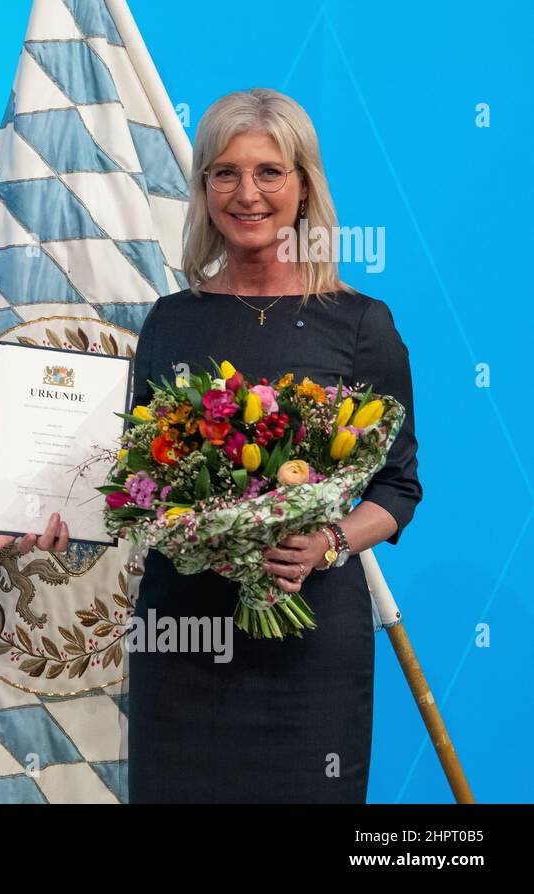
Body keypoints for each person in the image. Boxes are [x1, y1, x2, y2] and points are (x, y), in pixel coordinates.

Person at [123, 88, 422, 802]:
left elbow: (397, 488)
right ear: (202, 189)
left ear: (304, 186)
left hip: (310, 644)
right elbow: (138, 481)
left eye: (268, 172)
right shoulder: (169, 321)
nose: (246, 193)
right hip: (181, 635)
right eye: (223, 172)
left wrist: (328, 542)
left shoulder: (359, 324)